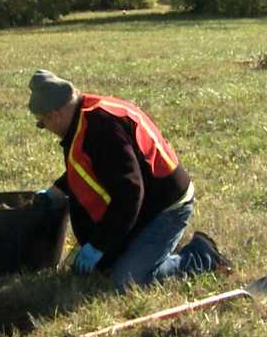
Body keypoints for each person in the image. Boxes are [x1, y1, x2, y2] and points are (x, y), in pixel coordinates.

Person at [27, 69, 230, 291]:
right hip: (143, 204)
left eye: (42, 123)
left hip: (166, 207)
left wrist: (98, 245)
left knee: (128, 279)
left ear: (54, 114)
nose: (45, 129)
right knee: (103, 266)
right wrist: (55, 191)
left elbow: (129, 193)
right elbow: (93, 166)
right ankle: (146, 249)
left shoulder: (101, 129)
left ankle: (201, 255)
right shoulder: (83, 117)